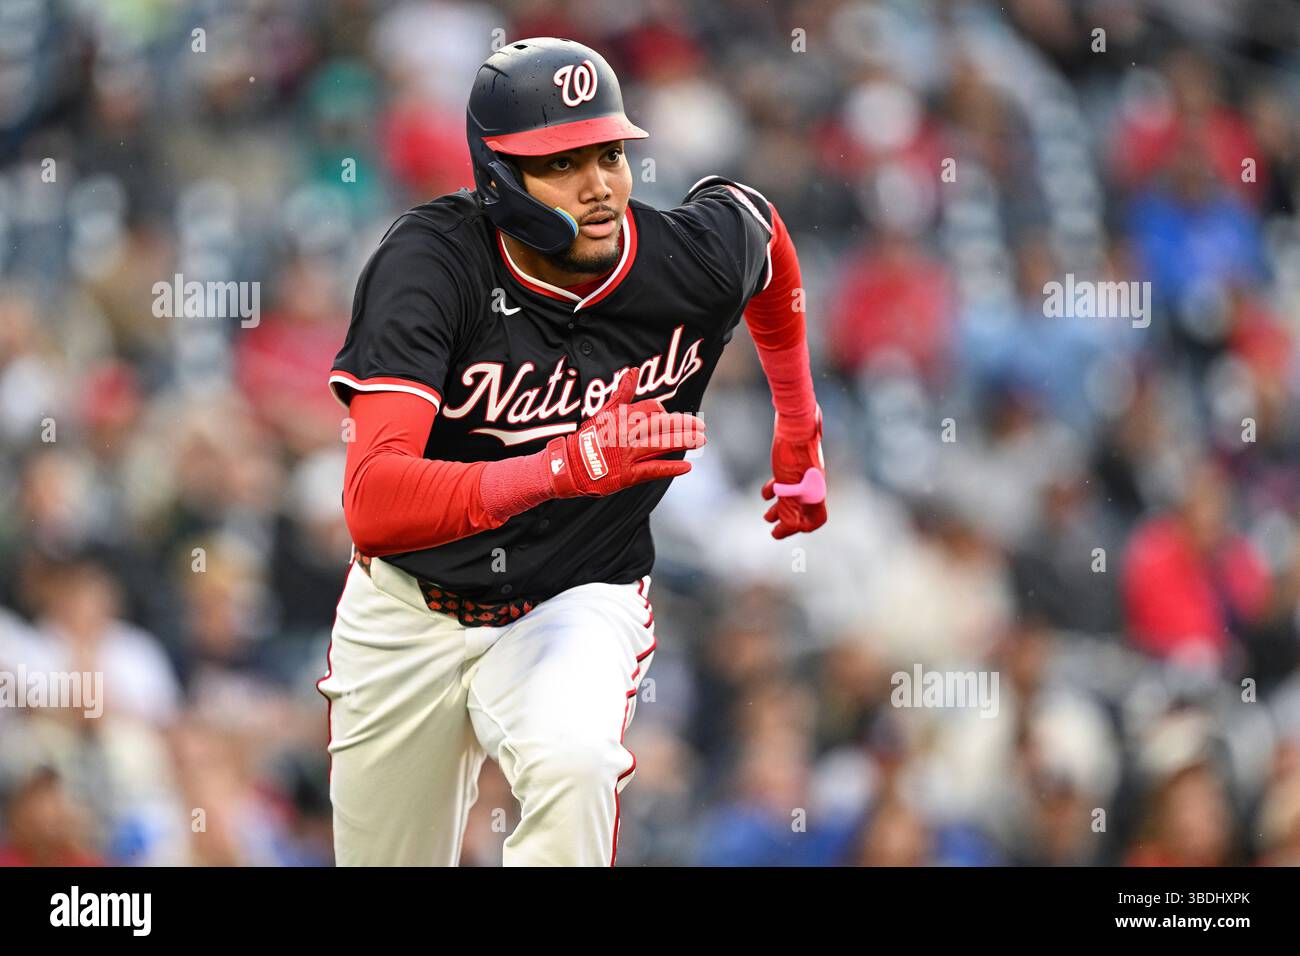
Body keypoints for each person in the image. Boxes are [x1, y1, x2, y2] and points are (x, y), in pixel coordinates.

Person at [318, 36, 827, 866]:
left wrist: (798, 421)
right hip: (411, 606)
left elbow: (766, 239)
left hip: (574, 596)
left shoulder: (684, 261)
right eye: (561, 163)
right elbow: (373, 504)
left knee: (577, 763)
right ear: (498, 179)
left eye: (609, 154)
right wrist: (560, 470)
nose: (599, 186)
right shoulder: (432, 264)